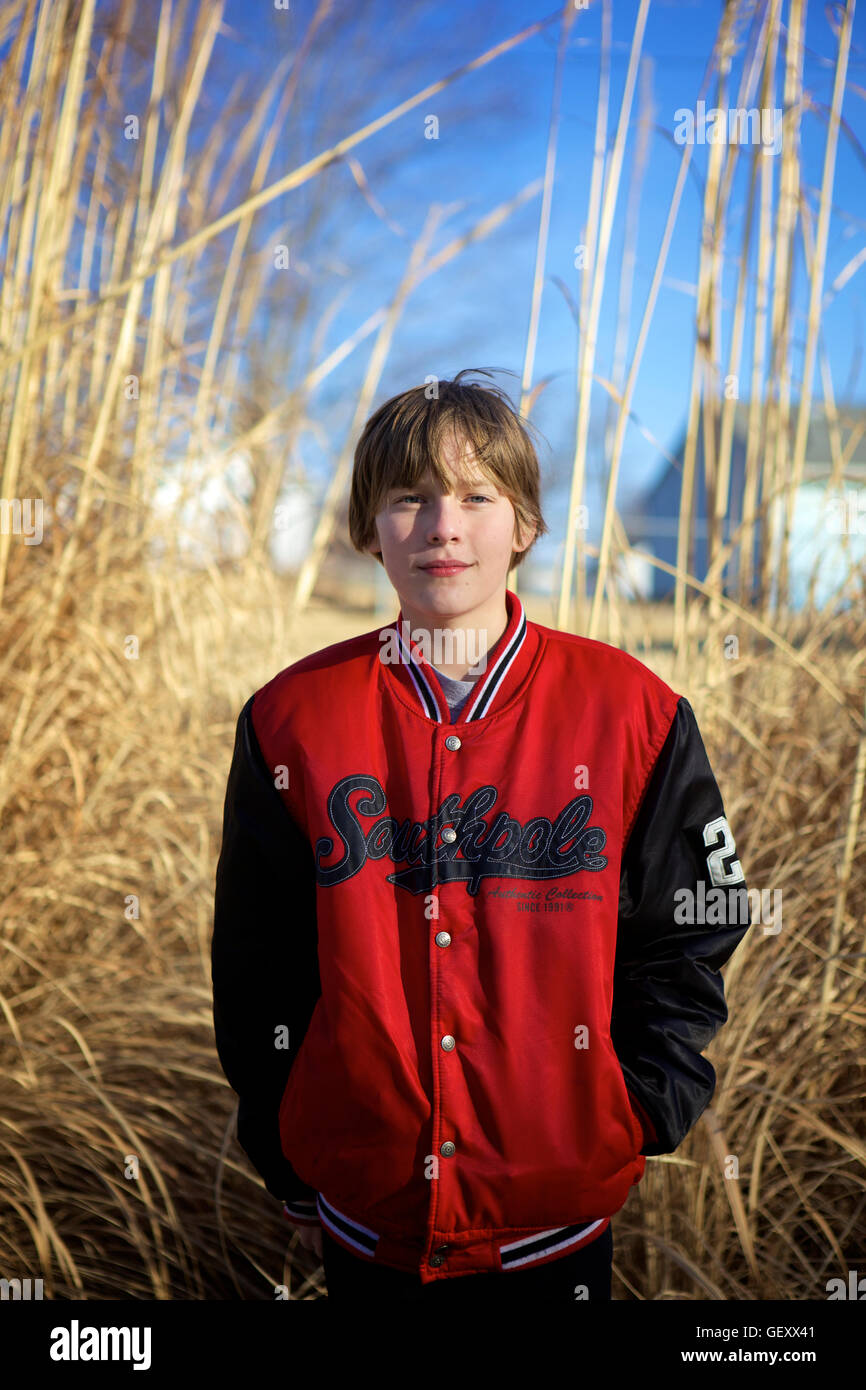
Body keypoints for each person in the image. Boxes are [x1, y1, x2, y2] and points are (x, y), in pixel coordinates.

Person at [211, 369, 752, 1302]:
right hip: (369, 1218)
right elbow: (257, 959)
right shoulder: (291, 719)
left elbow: (695, 921)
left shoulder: (633, 712)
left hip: (554, 1220)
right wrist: (288, 1141)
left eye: (475, 496)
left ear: (525, 525)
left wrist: (635, 1108)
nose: (442, 526)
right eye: (407, 499)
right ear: (368, 530)